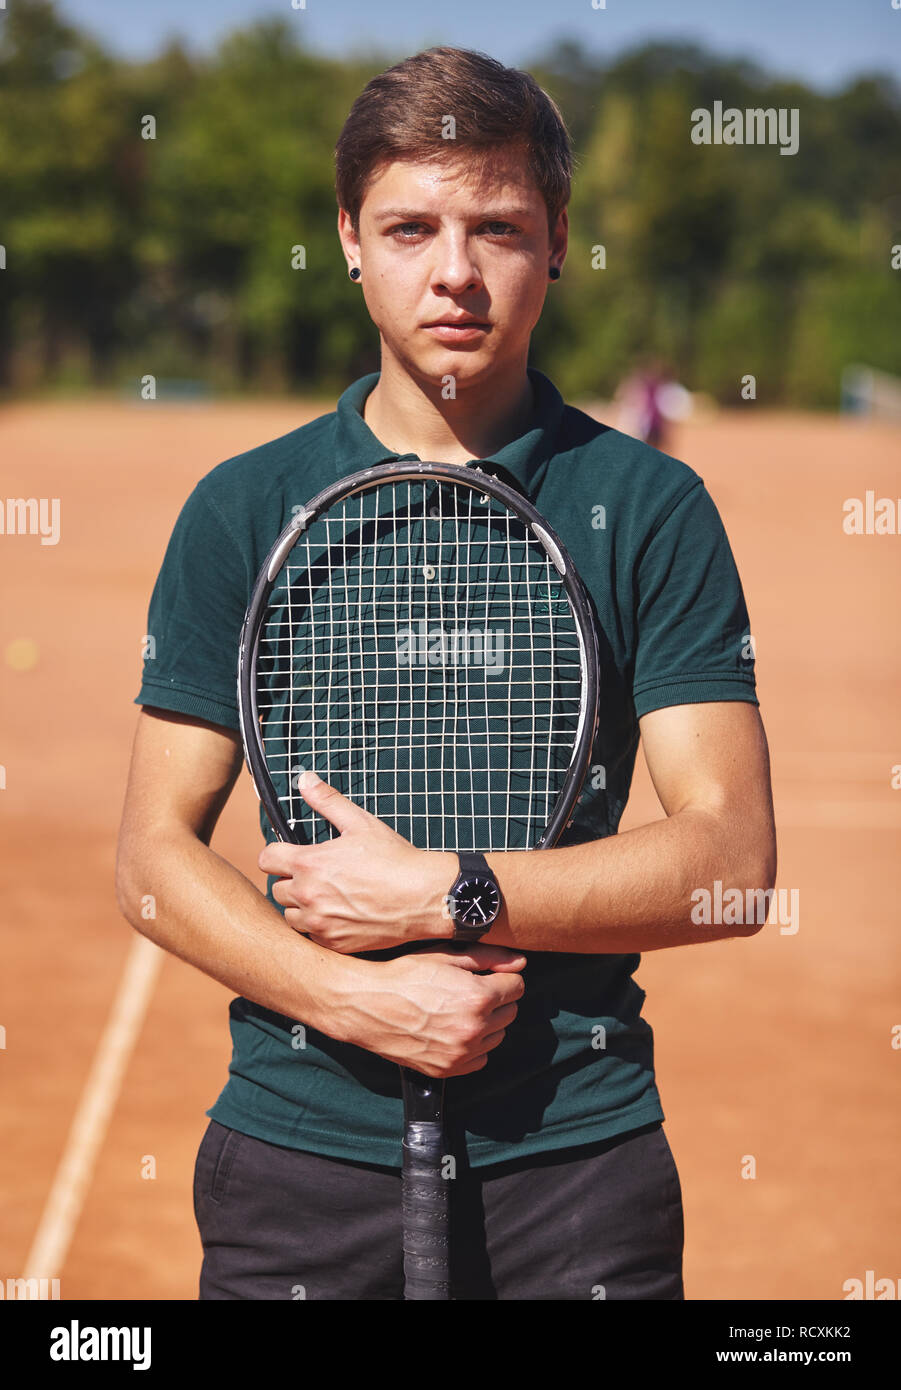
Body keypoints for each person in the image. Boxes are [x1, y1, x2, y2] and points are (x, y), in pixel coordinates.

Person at [116, 46, 776, 1301]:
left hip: (576, 1168)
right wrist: (349, 1000)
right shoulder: (240, 509)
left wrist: (449, 893)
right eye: (411, 226)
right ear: (351, 241)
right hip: (295, 1166)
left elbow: (733, 867)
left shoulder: (649, 507)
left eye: (498, 226)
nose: (456, 271)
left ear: (559, 239)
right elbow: (149, 857)